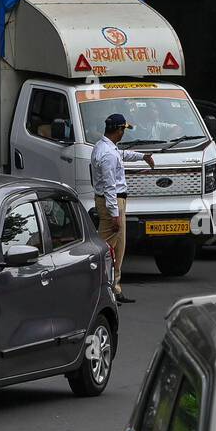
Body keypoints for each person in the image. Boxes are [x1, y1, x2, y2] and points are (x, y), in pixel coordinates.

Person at [90, 113, 154, 304]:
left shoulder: (106, 147)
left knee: (118, 249)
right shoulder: (108, 154)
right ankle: (101, 290)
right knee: (106, 250)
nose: (123, 133)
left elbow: (123, 154)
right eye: (123, 129)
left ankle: (114, 288)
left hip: (113, 202)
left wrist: (142, 156)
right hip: (113, 202)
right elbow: (110, 187)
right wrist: (115, 214)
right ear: (118, 130)